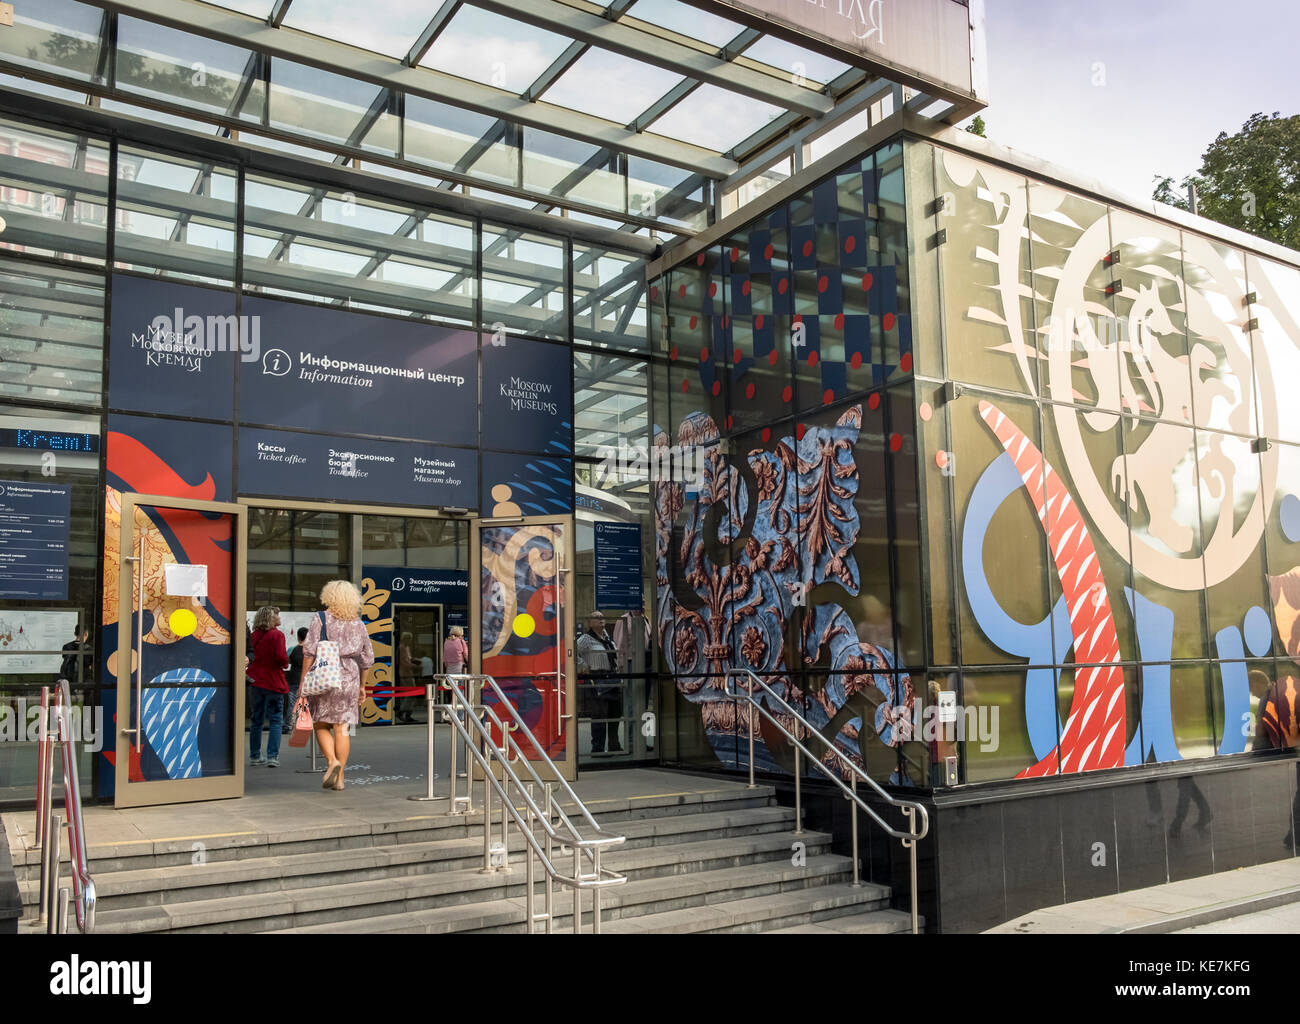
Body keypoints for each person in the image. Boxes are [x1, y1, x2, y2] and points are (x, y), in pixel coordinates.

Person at [301, 580, 375, 791]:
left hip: (325, 676)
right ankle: (340, 779)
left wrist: (303, 682)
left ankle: (332, 761)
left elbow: (309, 652)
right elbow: (367, 658)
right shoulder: (359, 624)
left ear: (329, 596)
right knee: (342, 728)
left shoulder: (321, 618)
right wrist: (362, 686)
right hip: (350, 677)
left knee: (320, 724)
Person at [247, 606, 290, 767]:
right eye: (277, 615)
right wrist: (285, 663)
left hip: (255, 682)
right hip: (273, 682)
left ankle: (255, 755)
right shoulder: (277, 635)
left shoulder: (254, 636)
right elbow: (280, 657)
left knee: (256, 720)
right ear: (272, 618)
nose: (279, 617)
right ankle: (273, 756)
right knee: (276, 720)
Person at [577, 611, 621, 754]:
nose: (601, 619)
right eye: (596, 617)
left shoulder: (608, 639)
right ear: (589, 623)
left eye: (602, 617)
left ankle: (614, 745)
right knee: (599, 715)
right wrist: (583, 666)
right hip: (597, 679)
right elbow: (571, 652)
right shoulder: (586, 639)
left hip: (612, 678)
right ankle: (598, 748)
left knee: (615, 713)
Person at [282, 626, 308, 735]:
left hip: (293, 679)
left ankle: (288, 726)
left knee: (292, 704)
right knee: (305, 703)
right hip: (307, 681)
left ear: (298, 637)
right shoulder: (310, 651)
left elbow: (285, 662)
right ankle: (304, 724)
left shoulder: (292, 649)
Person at [396, 631, 418, 723]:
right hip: (405, 674)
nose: (410, 641)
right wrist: (415, 666)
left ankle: (408, 713)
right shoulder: (401, 648)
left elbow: (408, 659)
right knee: (410, 695)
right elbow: (404, 662)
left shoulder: (407, 648)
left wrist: (415, 660)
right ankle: (402, 711)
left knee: (412, 695)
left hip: (409, 673)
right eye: (408, 639)